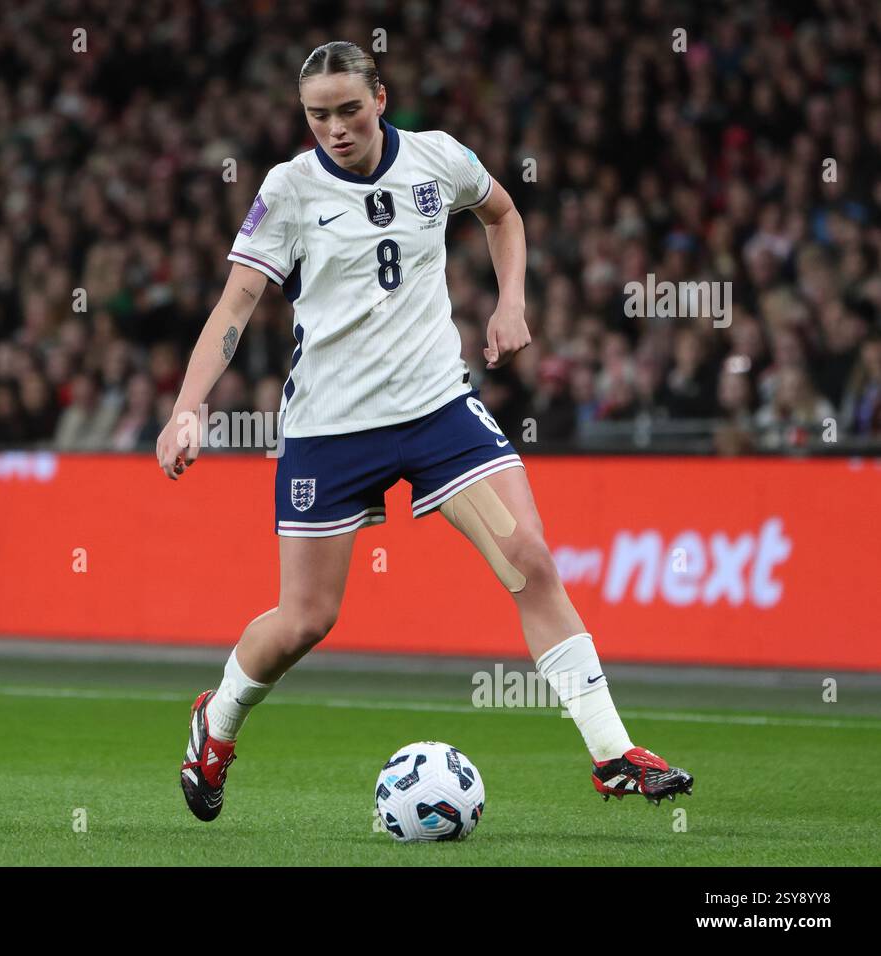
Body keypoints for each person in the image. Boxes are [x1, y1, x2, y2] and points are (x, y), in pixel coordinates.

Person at [156, 41, 693, 823]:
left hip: (440, 411)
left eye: (348, 109)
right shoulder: (289, 189)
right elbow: (236, 306)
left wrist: (511, 301)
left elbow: (503, 213)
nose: (334, 128)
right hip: (330, 431)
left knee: (530, 560)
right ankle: (219, 720)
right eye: (317, 115)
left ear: (381, 95)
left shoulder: (438, 159)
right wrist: (188, 406)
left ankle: (612, 754)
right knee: (306, 619)